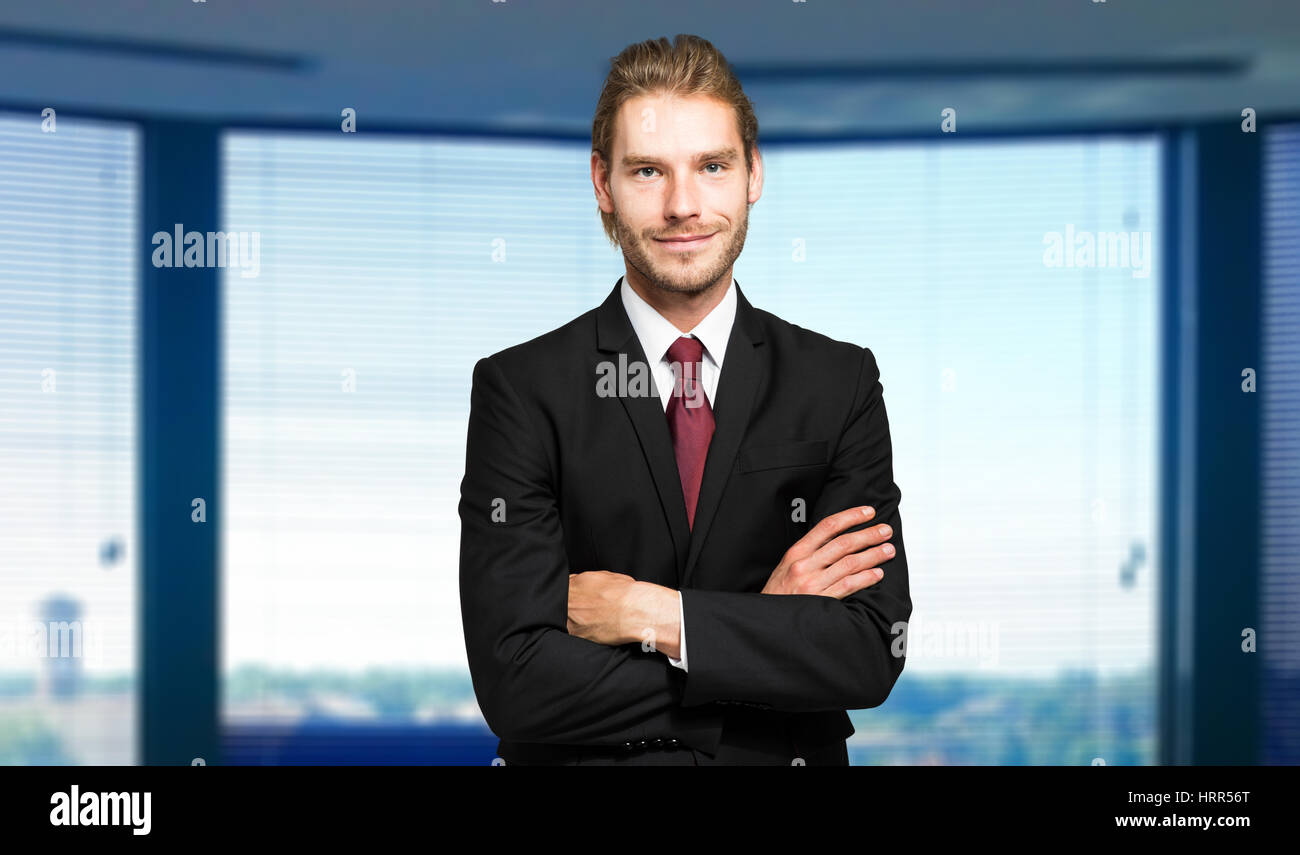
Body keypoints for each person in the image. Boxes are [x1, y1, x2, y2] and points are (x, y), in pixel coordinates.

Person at [458, 33, 911, 765]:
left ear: (753, 173)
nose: (683, 205)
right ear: (603, 184)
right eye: (647, 171)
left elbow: (865, 652)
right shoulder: (522, 389)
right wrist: (764, 631)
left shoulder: (839, 382)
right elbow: (516, 681)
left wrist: (657, 615)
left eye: (711, 165)